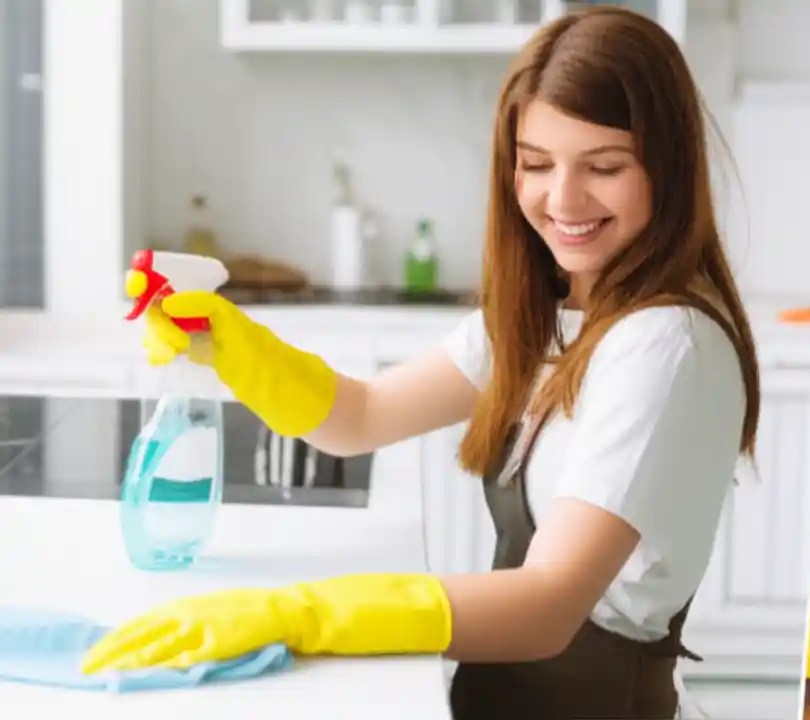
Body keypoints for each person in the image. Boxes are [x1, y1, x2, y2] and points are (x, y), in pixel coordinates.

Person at [80, 7, 761, 719]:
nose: (563, 198)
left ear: (669, 166)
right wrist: (226, 342)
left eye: (605, 167)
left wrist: (304, 613)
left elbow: (548, 605)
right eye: (535, 164)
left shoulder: (665, 344)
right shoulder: (545, 315)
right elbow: (361, 416)